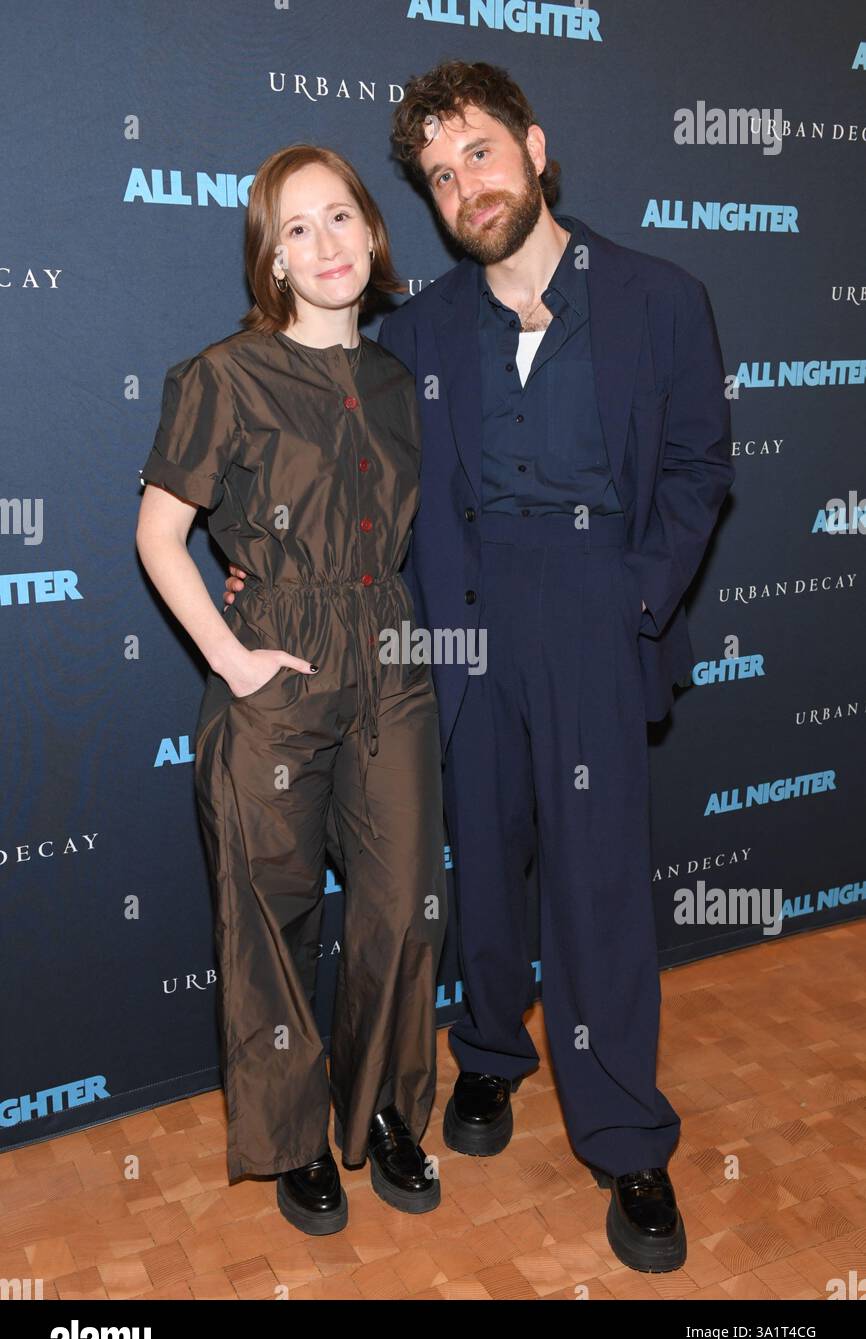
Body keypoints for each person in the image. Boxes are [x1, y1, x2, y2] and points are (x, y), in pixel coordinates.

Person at [225, 60, 735, 1274]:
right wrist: (257, 561)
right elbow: (342, 464)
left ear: (536, 149)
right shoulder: (420, 332)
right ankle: (492, 1062)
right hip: (459, 618)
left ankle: (622, 1131)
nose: (466, 184)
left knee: (597, 879)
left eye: (481, 155)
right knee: (483, 870)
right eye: (440, 174)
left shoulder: (660, 298)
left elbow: (698, 469)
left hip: (597, 611)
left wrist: (635, 597)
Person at [136, 144, 448, 1237]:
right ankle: (292, 1137)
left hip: (389, 652)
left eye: (340, 218)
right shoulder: (224, 375)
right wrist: (231, 654)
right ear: (269, 258)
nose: (324, 245)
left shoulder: (396, 380)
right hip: (276, 657)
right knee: (270, 916)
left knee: (404, 899)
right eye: (295, 229)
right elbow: (159, 534)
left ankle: (389, 1113)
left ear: (371, 230)